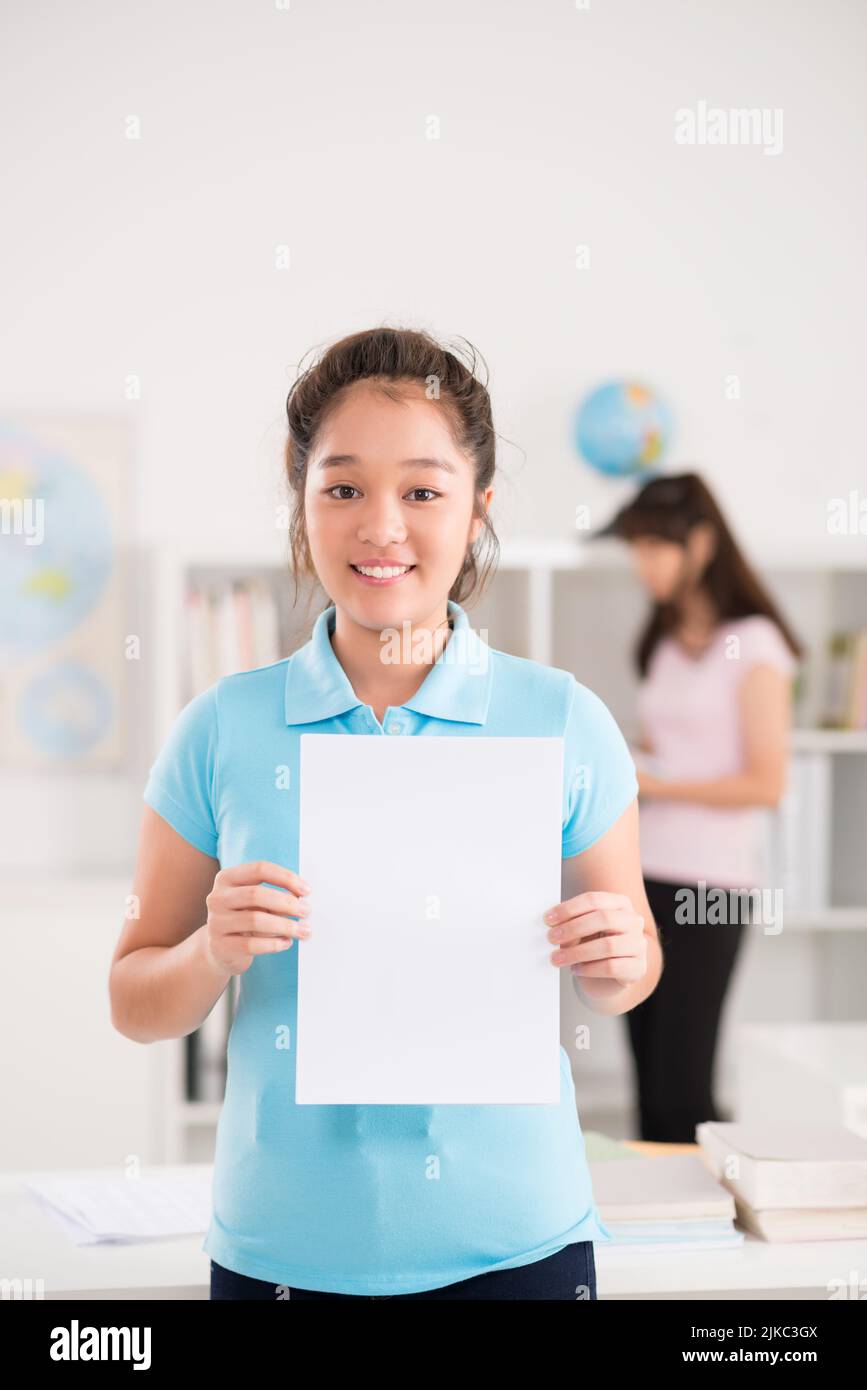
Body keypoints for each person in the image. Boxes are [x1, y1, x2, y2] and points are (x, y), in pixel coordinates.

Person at [109, 326, 661, 1301]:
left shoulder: (564, 719)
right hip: (281, 1256)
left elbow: (633, 969)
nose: (381, 526)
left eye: (422, 489)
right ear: (303, 499)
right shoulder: (223, 727)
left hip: (519, 1248)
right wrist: (210, 950)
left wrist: (619, 958)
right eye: (343, 486)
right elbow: (134, 997)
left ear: (478, 506)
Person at [593, 472, 802, 1142]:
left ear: (702, 543)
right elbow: (670, 747)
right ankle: (662, 1231)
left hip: (712, 889)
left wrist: (655, 784)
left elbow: (764, 783)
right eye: (635, 547)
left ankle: (707, 1229)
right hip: (641, 875)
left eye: (655, 546)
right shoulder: (659, 641)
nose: (642, 563)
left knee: (683, 1085)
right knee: (647, 1083)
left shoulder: (756, 644)